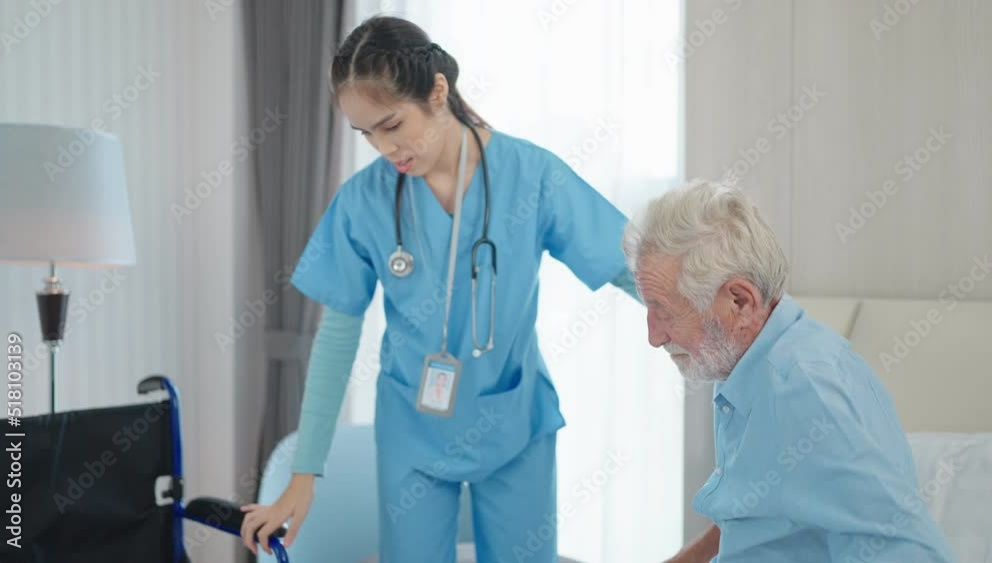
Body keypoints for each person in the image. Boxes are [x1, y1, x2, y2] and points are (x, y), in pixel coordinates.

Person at [239, 15, 640, 562]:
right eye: (367, 134)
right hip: (413, 430)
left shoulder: (532, 176)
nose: (384, 148)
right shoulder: (365, 201)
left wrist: (705, 320)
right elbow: (337, 335)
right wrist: (303, 474)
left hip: (514, 421)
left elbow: (625, 264)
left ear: (437, 91)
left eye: (392, 124)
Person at [624, 179, 955, 562]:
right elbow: (762, 513)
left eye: (664, 311)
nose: (654, 336)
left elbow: (911, 554)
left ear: (739, 301)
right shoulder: (750, 365)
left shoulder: (808, 391)